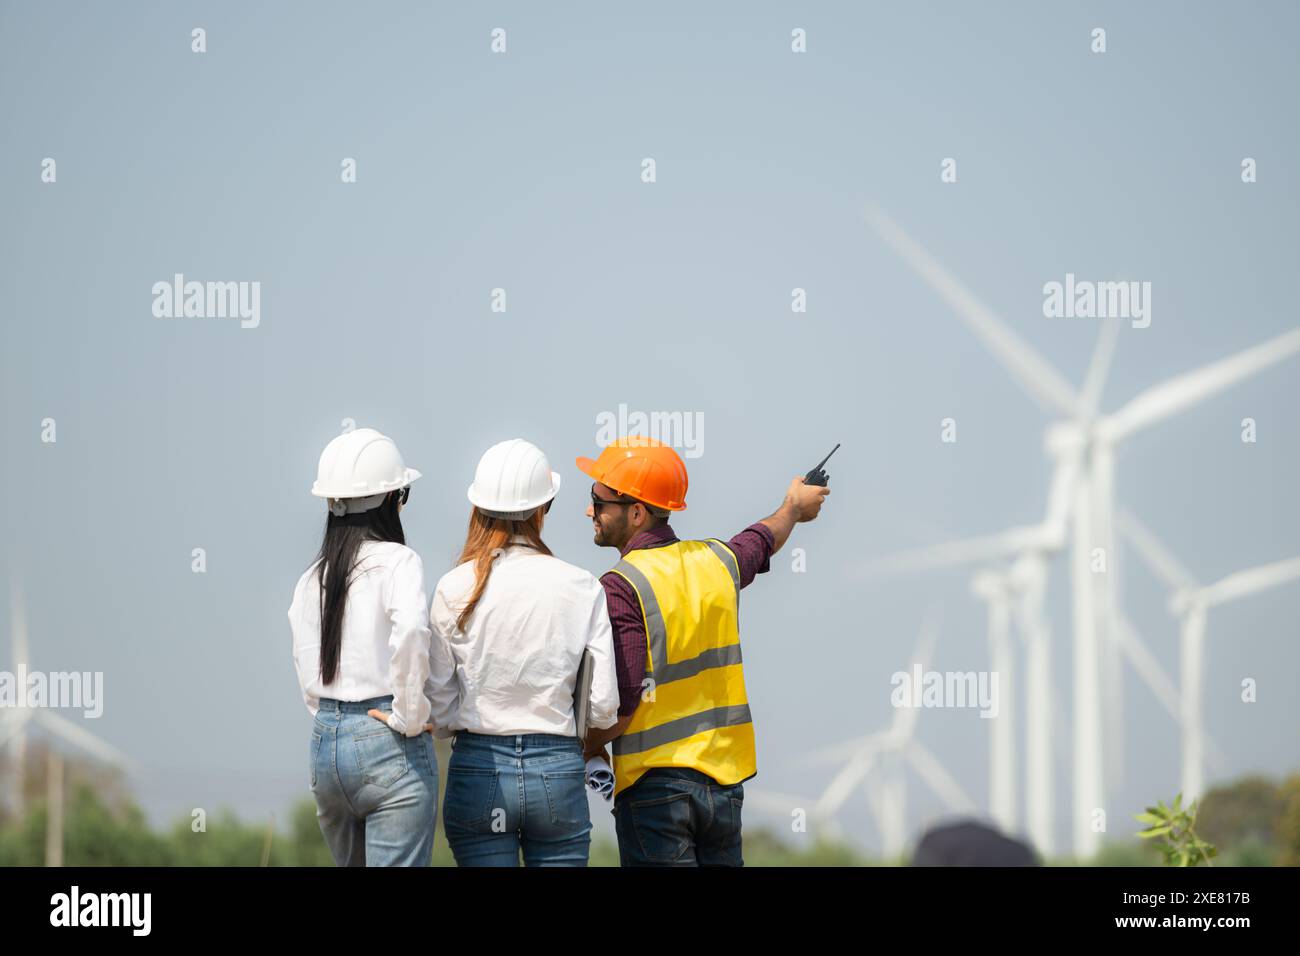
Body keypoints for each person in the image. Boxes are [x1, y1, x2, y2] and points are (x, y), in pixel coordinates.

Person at [577, 436, 829, 866]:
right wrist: (793, 507)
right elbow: (762, 540)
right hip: (723, 789)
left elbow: (623, 704)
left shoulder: (622, 586)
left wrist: (582, 748)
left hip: (657, 793)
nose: (590, 511)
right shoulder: (715, 560)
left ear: (636, 512)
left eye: (598, 500)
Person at [427, 439, 619, 866]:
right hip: (557, 771)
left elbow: (438, 714)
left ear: (477, 507)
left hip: (478, 769)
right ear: (542, 509)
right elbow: (604, 708)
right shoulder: (582, 586)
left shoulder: (452, 587)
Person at [288, 427, 452, 867]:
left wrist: (334, 720)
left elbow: (307, 672)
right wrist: (411, 715)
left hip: (325, 743)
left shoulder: (311, 578)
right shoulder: (399, 561)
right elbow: (413, 633)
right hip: (386, 736)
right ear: (388, 499)